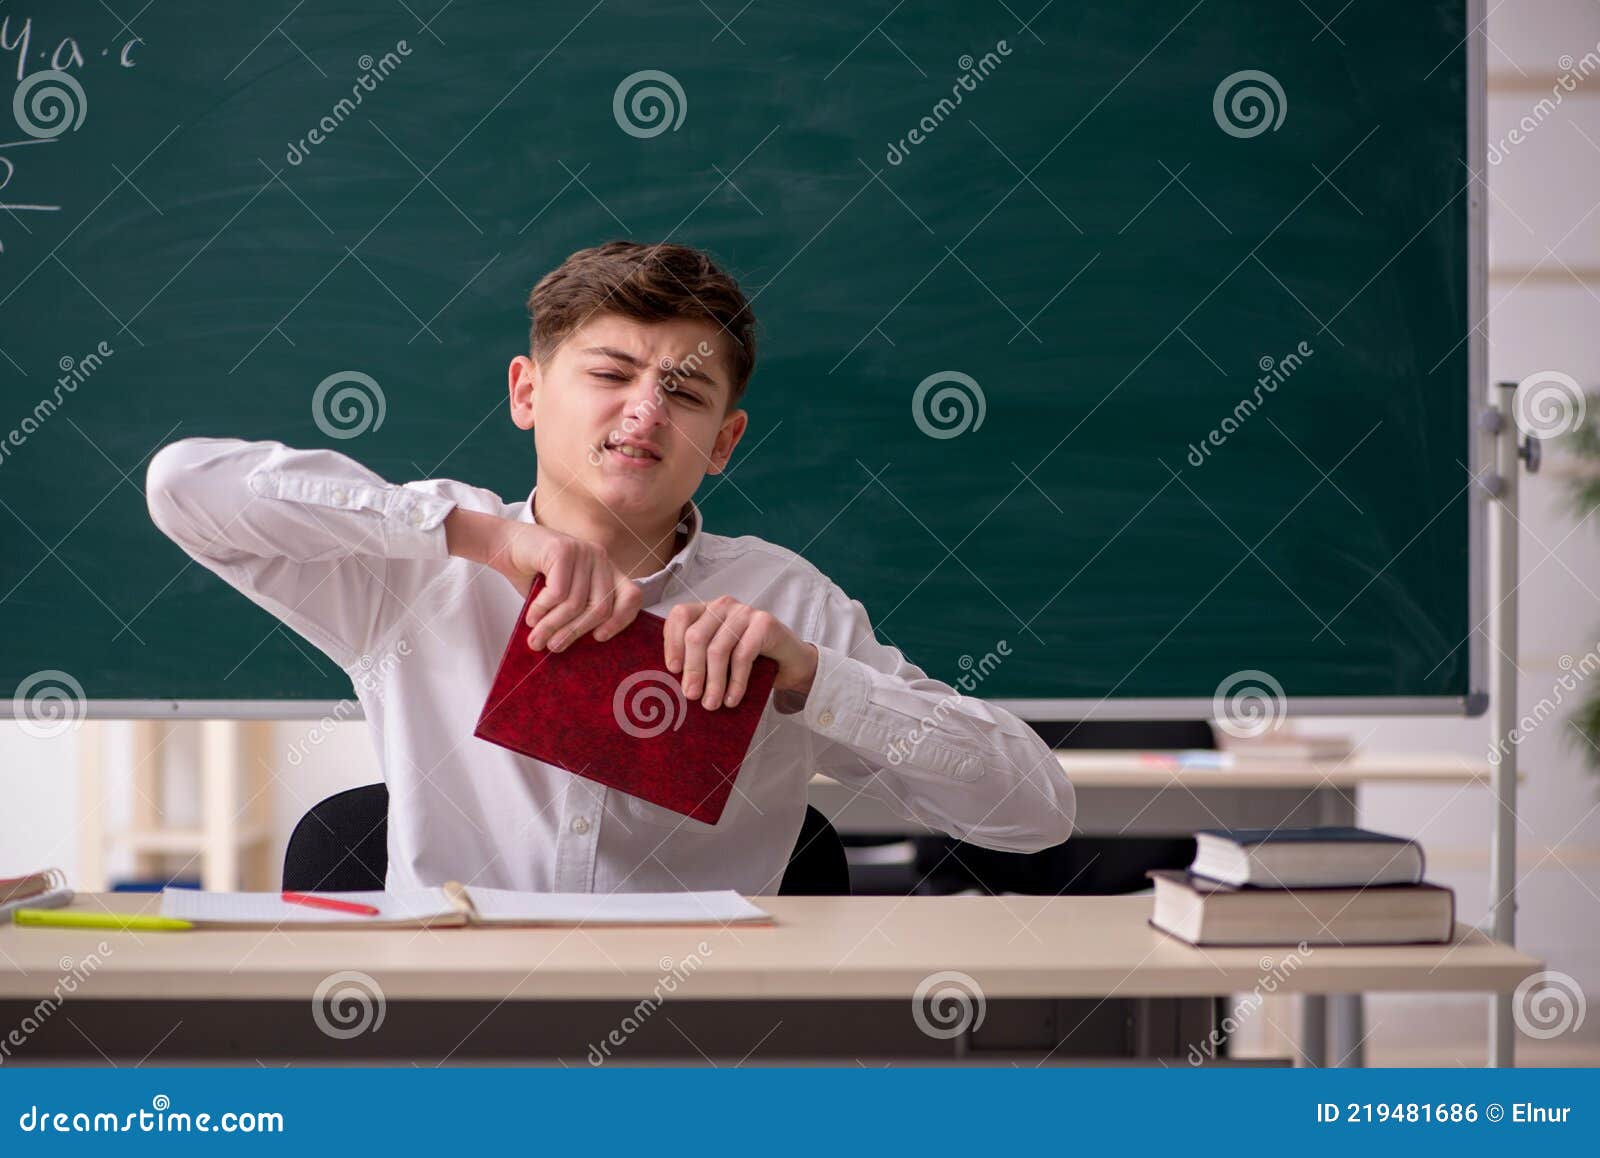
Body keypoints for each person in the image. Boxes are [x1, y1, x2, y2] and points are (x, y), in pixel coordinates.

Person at [145, 240, 1075, 894]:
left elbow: (1036, 813)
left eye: (685, 391)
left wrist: (811, 679)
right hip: (457, 1028)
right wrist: (484, 539)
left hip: (697, 1046)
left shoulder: (785, 602)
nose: (645, 410)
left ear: (724, 442)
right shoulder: (423, 569)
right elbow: (181, 485)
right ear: (526, 392)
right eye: (610, 373)